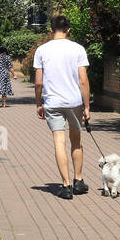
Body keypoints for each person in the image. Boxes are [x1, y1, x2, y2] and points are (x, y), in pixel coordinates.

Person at [33, 15, 91, 200]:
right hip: (74, 102)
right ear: (68, 30)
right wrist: (87, 106)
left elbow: (38, 83)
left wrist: (38, 103)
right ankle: (78, 181)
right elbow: (83, 80)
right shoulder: (78, 49)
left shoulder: (41, 50)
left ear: (51, 30)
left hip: (52, 102)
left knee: (59, 142)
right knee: (76, 140)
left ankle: (66, 185)